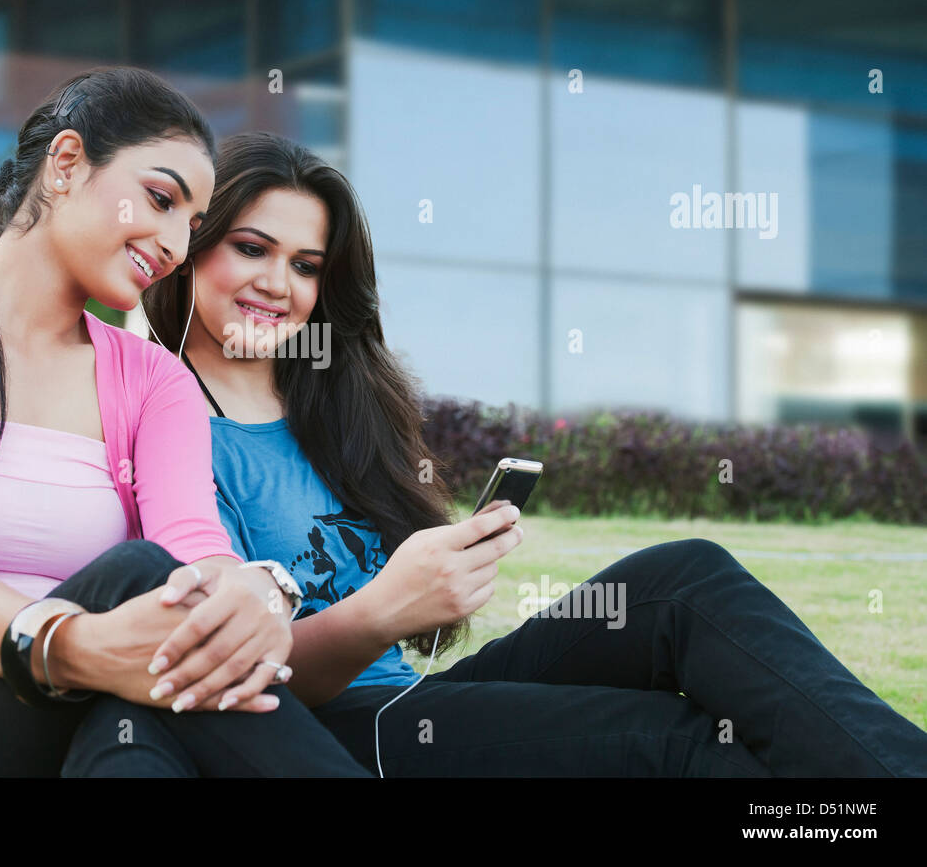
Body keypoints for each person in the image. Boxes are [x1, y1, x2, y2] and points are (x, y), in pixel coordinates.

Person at [132, 130, 927, 777]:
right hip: (328, 740)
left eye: (306, 266)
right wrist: (384, 609)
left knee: (687, 578)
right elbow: (235, 677)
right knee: (676, 740)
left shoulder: (334, 404)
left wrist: (446, 572)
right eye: (252, 248)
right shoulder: (171, 422)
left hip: (416, 709)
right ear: (195, 246)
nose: (280, 283)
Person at [0, 69, 370, 777]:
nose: (176, 244)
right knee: (139, 578)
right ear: (66, 164)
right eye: (160, 198)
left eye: (193, 225)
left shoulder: (155, 382)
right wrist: (76, 647)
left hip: (98, 717)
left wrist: (261, 590)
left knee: (136, 723)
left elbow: (200, 555)